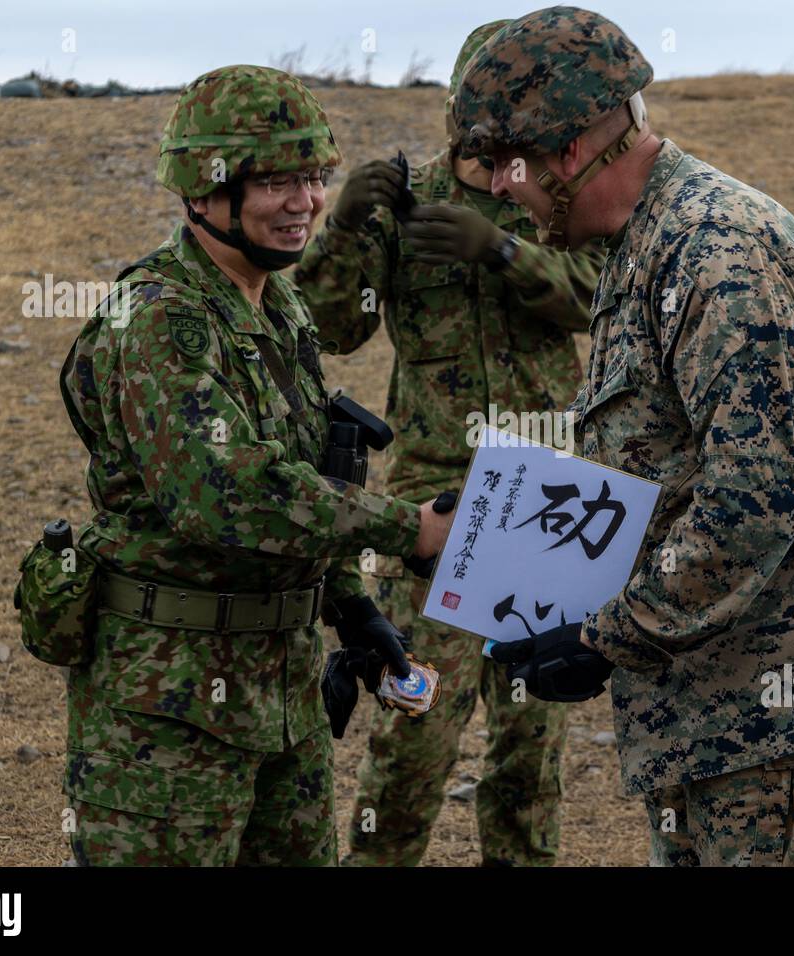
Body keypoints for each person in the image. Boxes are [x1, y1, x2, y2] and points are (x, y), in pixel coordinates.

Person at [453, 7, 794, 866]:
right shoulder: (644, 248)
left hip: (780, 717)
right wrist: (480, 533)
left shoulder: (715, 252)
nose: (495, 188)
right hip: (718, 710)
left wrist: (607, 636)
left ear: (568, 151)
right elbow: (651, 455)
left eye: (504, 163)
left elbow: (752, 502)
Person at [57, 64, 453, 866]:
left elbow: (303, 467)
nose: (305, 201)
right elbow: (229, 493)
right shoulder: (161, 319)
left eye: (313, 177)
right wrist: (407, 529)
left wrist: (348, 606)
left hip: (283, 697)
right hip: (168, 709)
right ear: (204, 192)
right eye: (275, 180)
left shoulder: (279, 303)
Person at [294, 21, 605, 867]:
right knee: (411, 737)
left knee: (530, 748)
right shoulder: (406, 199)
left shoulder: (555, 201)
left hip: (544, 493)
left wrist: (501, 249)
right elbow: (334, 327)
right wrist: (347, 228)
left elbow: (597, 297)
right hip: (441, 506)